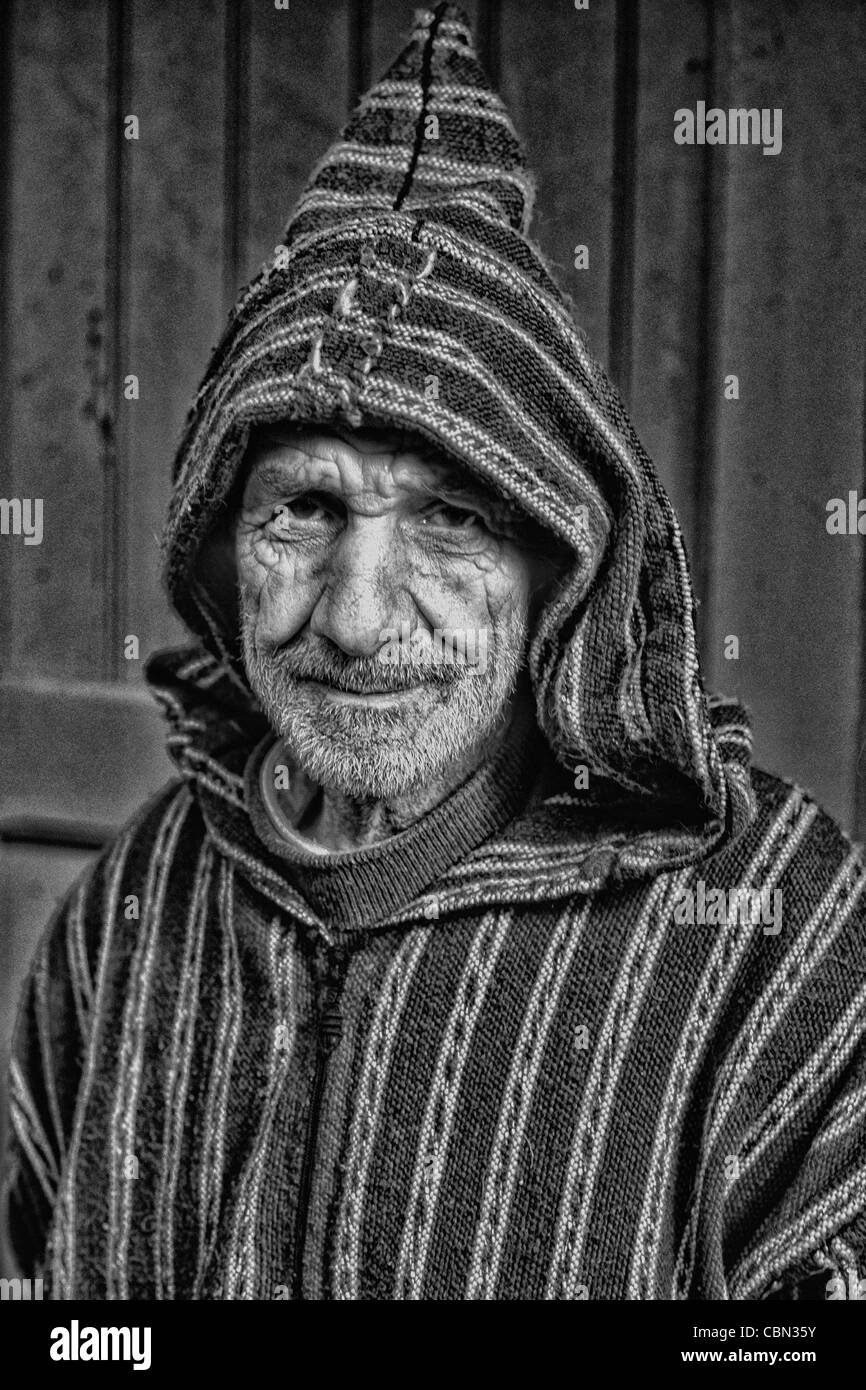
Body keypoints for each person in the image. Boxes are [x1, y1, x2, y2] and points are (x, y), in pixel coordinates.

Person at [5, 2, 865, 1301]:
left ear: (558, 560)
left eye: (452, 516)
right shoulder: (138, 900)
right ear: (218, 541)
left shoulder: (772, 928)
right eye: (301, 508)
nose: (353, 618)